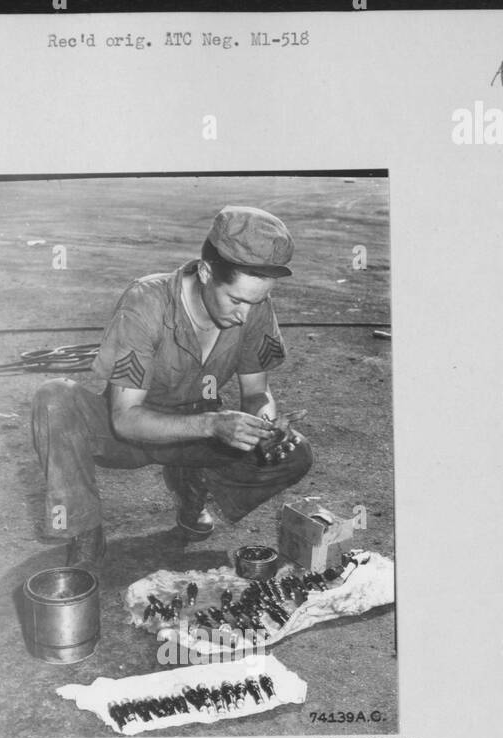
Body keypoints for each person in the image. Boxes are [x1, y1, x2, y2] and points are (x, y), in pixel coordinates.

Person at [30, 205, 314, 566]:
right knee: (54, 399)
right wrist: (212, 424)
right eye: (237, 300)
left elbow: (257, 393)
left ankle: (197, 489)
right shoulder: (146, 302)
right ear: (208, 272)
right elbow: (124, 419)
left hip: (198, 439)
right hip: (129, 436)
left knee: (296, 453)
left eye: (255, 302)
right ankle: (85, 532)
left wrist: (266, 425)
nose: (245, 315)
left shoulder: (255, 307)